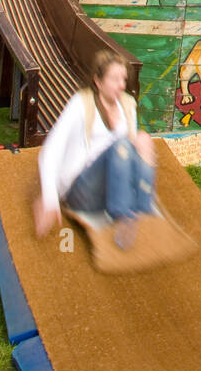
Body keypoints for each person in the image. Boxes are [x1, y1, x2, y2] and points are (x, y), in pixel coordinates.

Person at [34, 50, 156, 248]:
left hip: (110, 188)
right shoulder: (80, 104)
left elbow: (129, 155)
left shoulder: (127, 104)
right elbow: (51, 149)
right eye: (114, 79)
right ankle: (123, 215)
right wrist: (49, 198)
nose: (121, 85)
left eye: (123, 79)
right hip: (82, 190)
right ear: (98, 81)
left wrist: (142, 148)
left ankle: (142, 209)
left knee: (141, 140)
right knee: (122, 145)